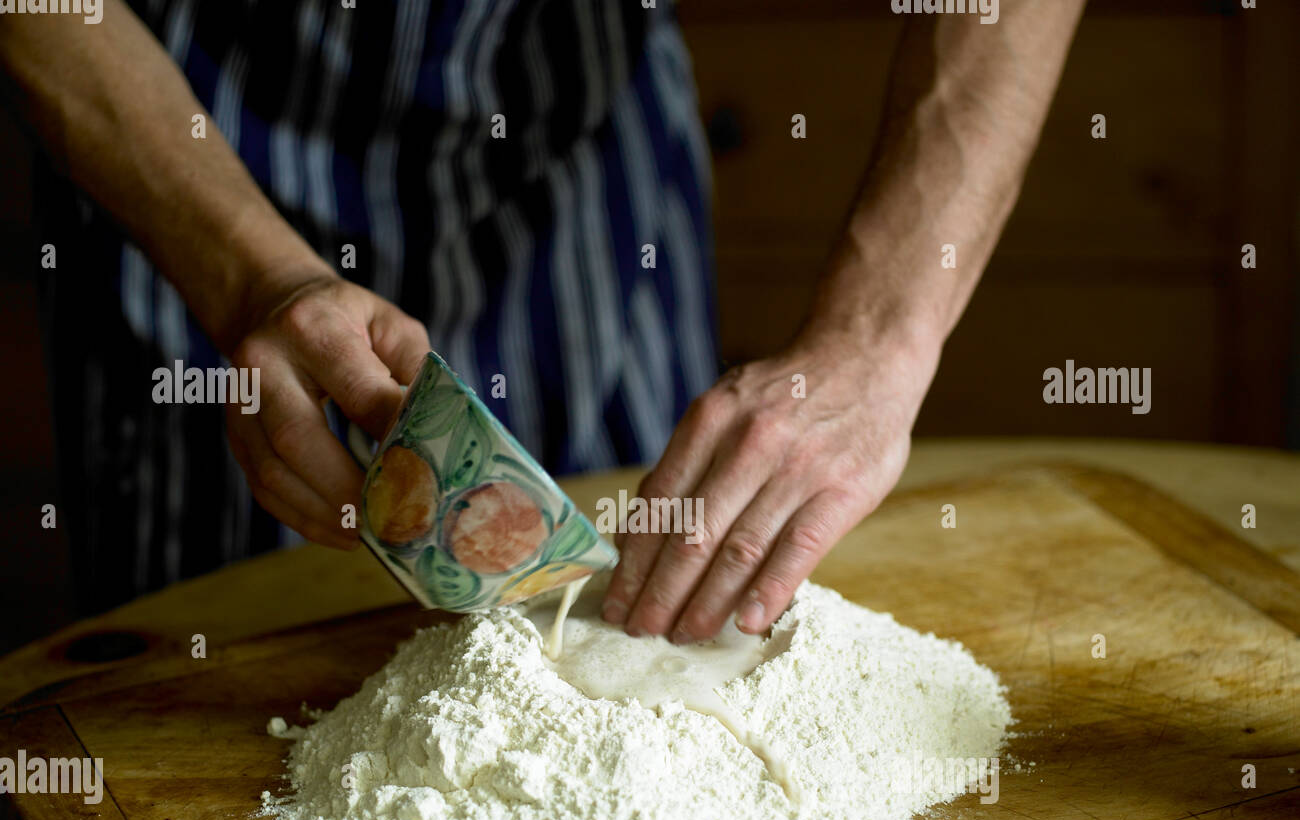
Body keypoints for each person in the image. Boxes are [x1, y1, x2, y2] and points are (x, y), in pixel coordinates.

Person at [1, 0, 1083, 640]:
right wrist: (247, 280)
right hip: (187, 145)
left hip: (579, 164)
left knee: (634, 628)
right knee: (218, 691)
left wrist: (877, 331)